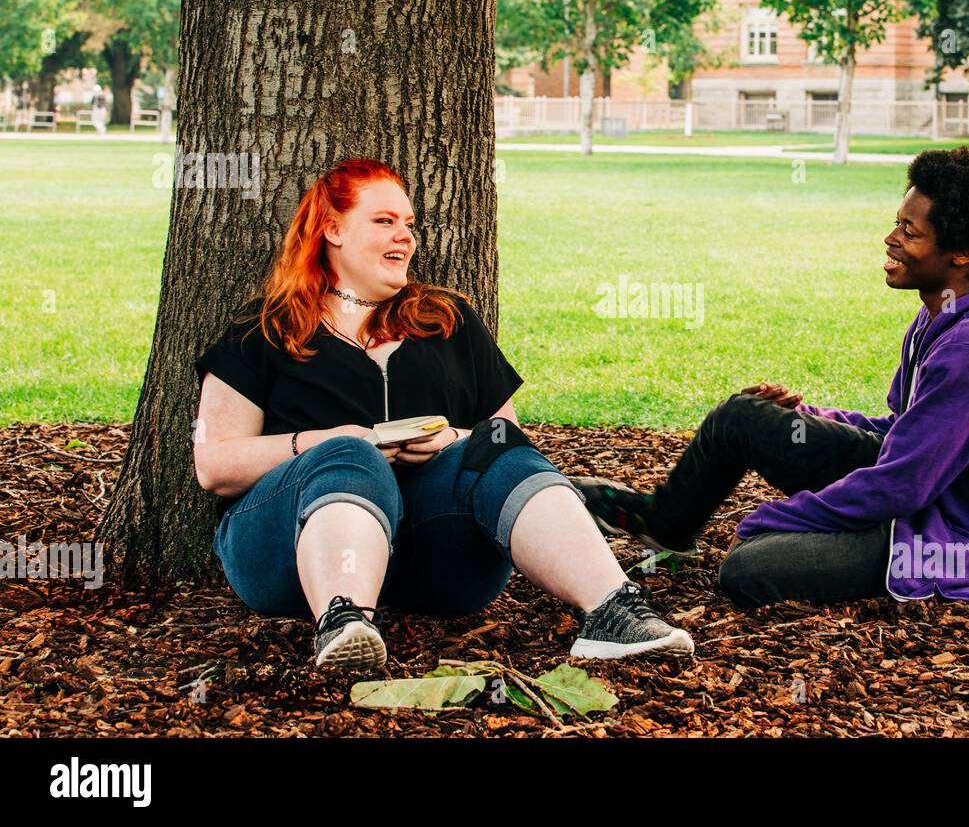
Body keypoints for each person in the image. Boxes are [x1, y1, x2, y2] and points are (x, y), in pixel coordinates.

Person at [193, 158, 693, 670]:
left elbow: (508, 442)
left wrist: (453, 438)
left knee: (493, 443)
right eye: (384, 221)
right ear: (333, 229)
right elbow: (214, 466)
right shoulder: (265, 331)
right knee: (348, 452)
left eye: (409, 224)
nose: (405, 237)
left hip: (433, 561)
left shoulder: (446, 320)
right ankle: (343, 623)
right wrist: (327, 441)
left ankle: (614, 611)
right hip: (287, 558)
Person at [575, 146, 969, 608]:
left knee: (746, 569)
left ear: (962, 252)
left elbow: (904, 483)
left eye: (910, 231)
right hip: (917, 496)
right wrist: (804, 416)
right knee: (741, 417)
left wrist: (782, 518)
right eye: (896, 223)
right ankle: (665, 523)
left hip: (953, 542)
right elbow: (903, 433)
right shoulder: (942, 316)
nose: (891, 238)